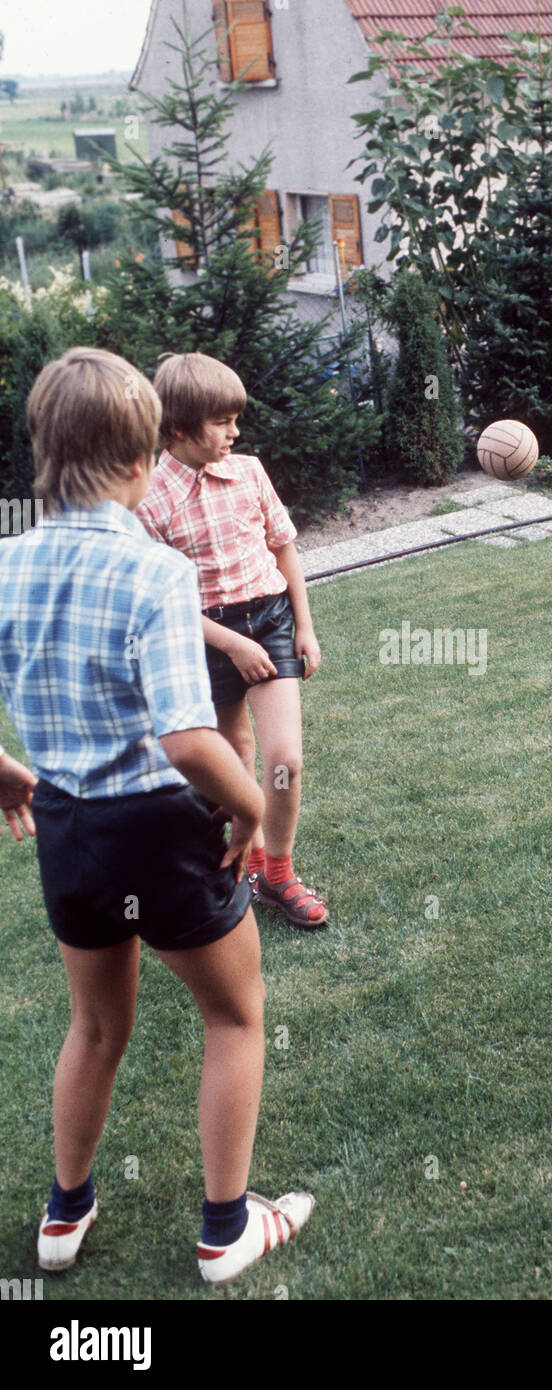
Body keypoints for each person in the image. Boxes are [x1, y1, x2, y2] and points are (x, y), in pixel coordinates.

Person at [0, 347, 314, 1285]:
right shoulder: (155, 572)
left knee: (94, 1028)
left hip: (68, 832)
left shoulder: (6, 563)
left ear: (43, 452)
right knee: (235, 1017)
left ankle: (64, 1218)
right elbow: (188, 739)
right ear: (144, 459)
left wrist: (8, 774)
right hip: (157, 831)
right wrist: (253, 808)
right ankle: (225, 1230)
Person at [137, 354, 327, 928]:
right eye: (221, 422)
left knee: (285, 760)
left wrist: (305, 626)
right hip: (202, 635)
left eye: (235, 419)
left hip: (268, 620)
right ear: (178, 429)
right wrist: (230, 644)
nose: (235, 431)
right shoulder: (148, 499)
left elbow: (283, 546)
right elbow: (160, 601)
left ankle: (278, 874)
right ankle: (237, 862)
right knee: (232, 758)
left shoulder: (249, 471)